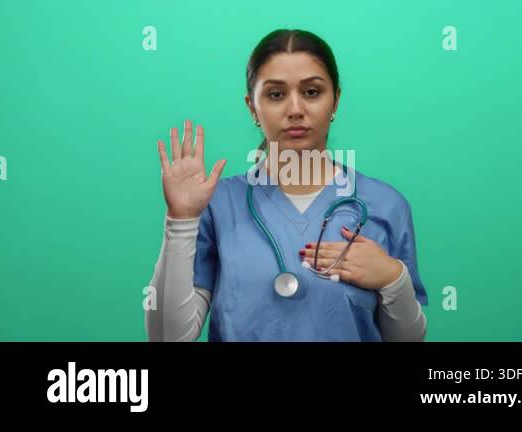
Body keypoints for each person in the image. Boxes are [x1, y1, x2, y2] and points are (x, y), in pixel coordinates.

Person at [145, 29, 428, 342]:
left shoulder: (386, 205)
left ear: (335, 100)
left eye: (311, 92)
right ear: (253, 108)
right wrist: (181, 219)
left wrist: (393, 278)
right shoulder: (216, 204)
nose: (295, 109)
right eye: (276, 94)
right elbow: (168, 337)